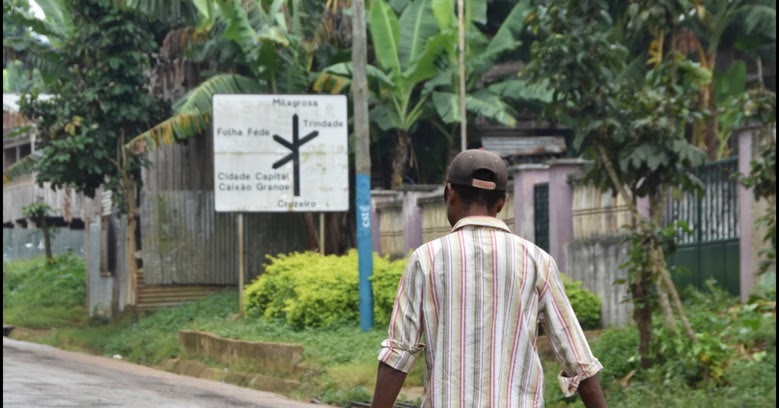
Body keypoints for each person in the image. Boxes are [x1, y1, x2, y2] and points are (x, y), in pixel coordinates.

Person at [371, 149, 607, 408]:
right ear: (502, 202)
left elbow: (398, 352)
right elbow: (578, 359)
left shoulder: (426, 259)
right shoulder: (537, 261)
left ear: (449, 193)